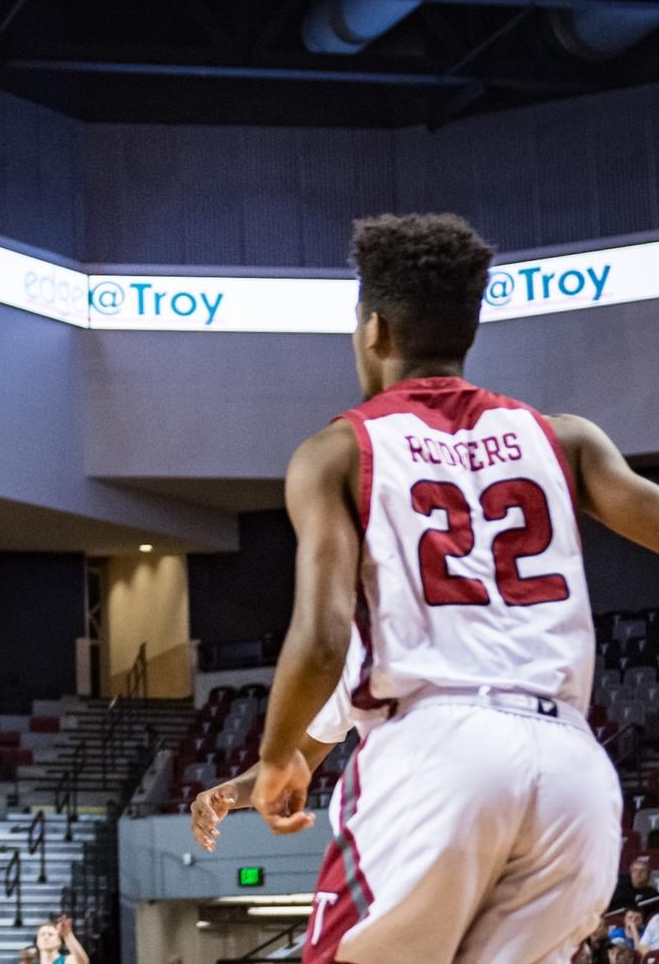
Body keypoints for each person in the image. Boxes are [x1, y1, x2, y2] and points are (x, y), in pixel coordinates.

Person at [235, 214, 659, 963]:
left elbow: (326, 633)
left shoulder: (340, 451)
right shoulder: (565, 440)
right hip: (574, 769)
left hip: (436, 755)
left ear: (374, 330)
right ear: (469, 329)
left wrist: (276, 756)